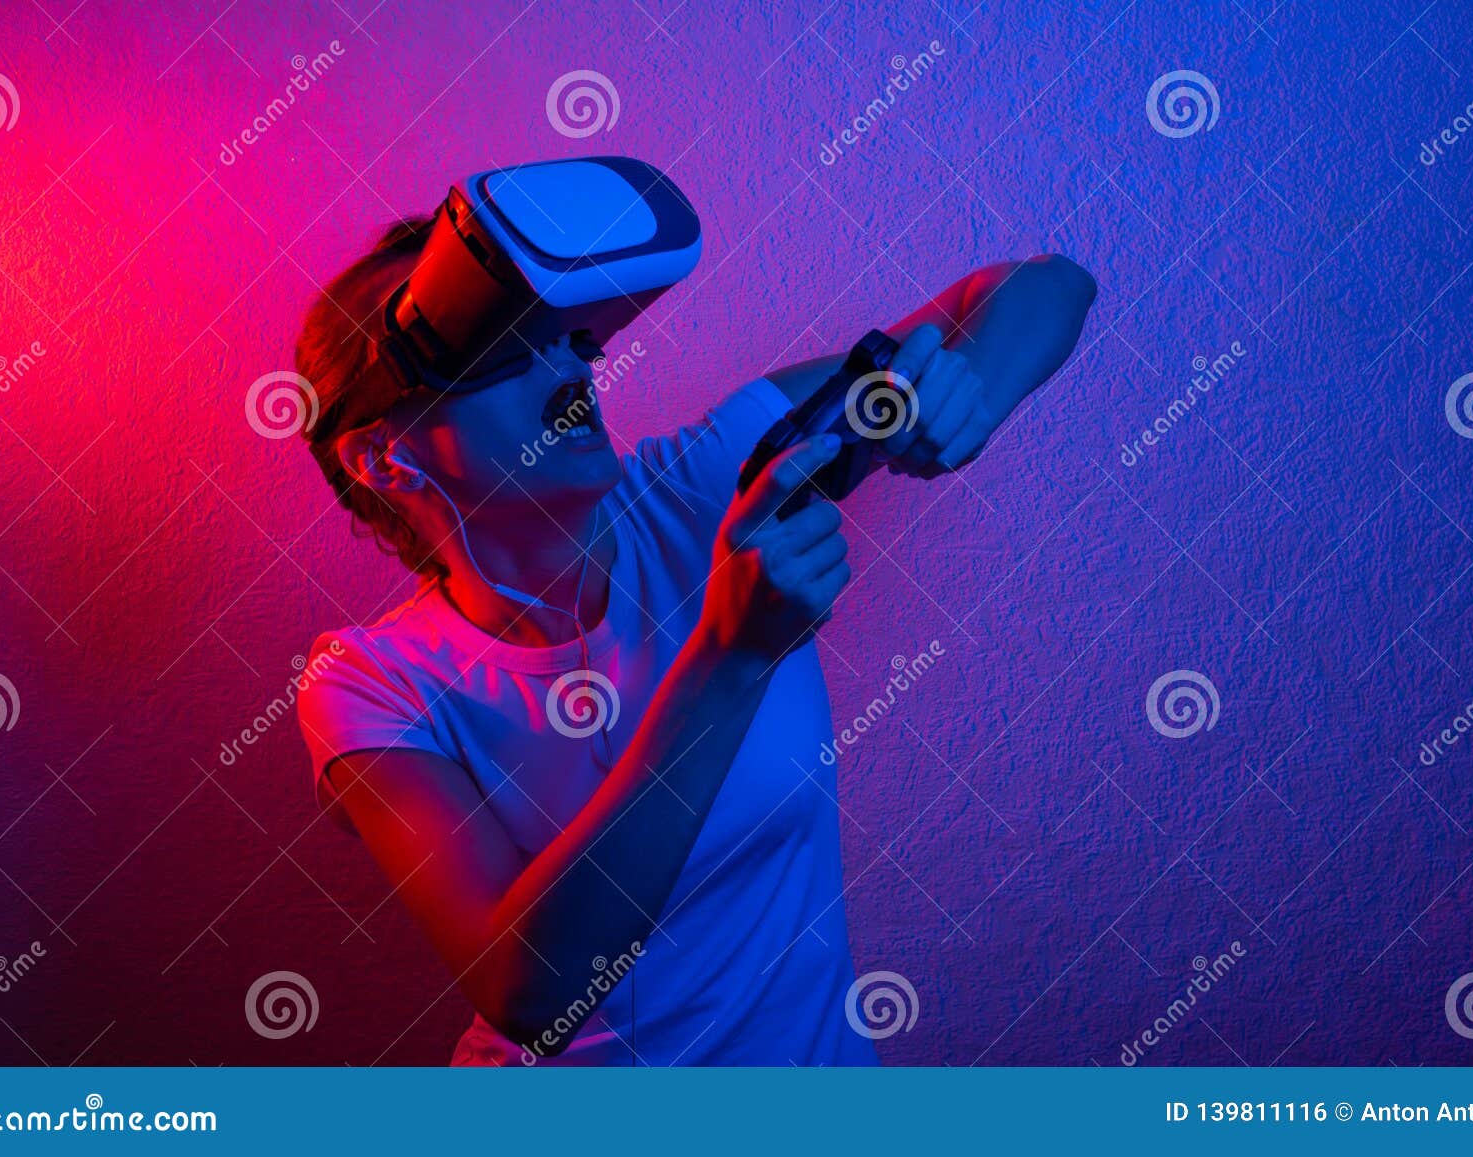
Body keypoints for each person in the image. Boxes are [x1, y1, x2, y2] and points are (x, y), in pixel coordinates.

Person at [293, 211, 1096, 1065]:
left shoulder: (713, 480)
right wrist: (732, 654)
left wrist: (967, 389)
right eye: (498, 344)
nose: (568, 364)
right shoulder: (370, 684)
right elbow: (532, 991)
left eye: (558, 335)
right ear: (383, 459)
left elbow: (1046, 284)